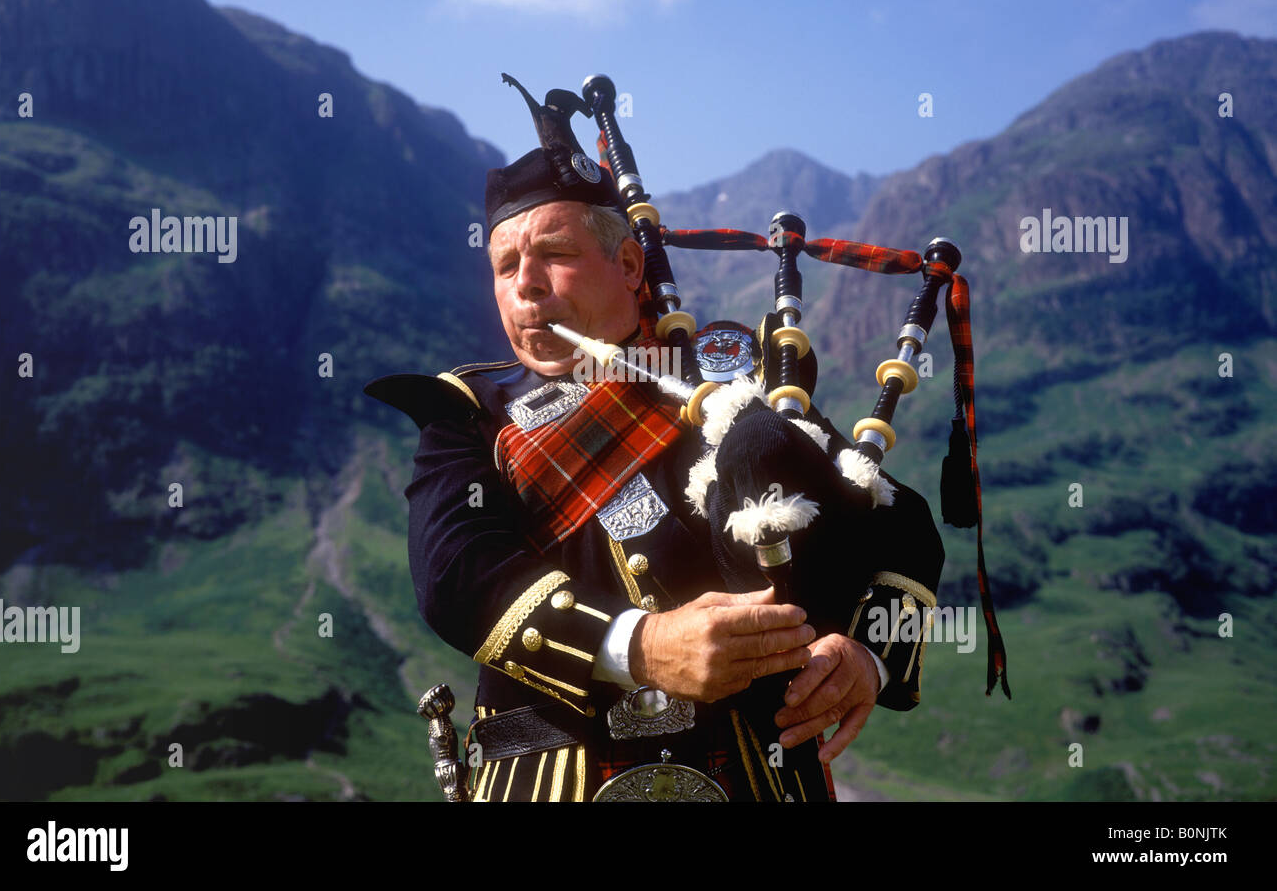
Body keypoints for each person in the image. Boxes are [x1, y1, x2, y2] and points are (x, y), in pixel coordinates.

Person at [364, 80, 945, 802]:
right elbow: (457, 574)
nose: (526, 288)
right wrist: (641, 646)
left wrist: (865, 657)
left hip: (755, 778)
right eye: (505, 266)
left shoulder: (729, 386)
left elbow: (899, 528)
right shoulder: (468, 414)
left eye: (553, 254)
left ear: (630, 266)